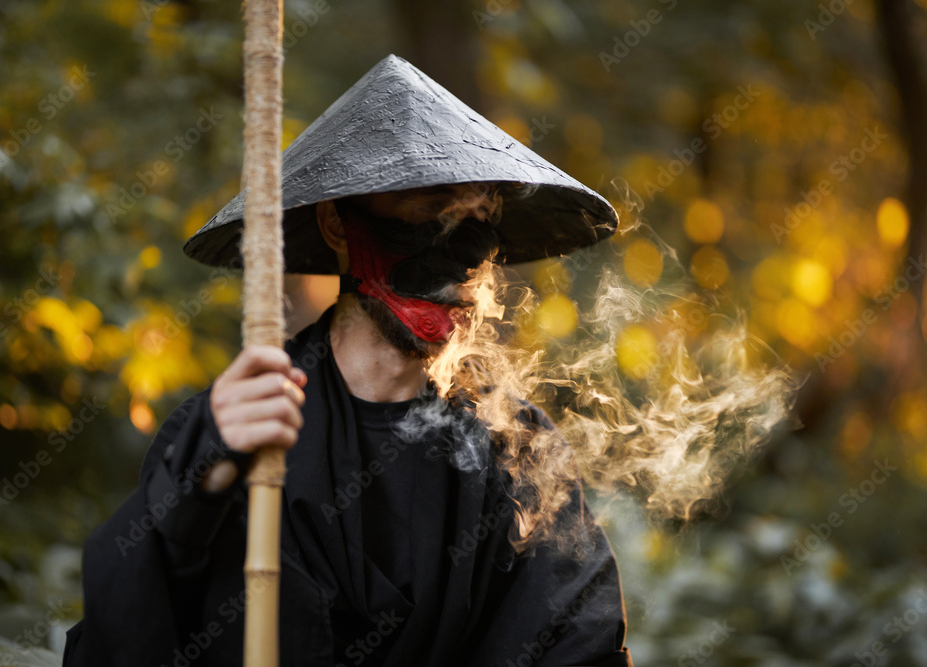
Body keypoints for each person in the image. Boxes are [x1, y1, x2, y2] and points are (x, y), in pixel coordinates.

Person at [63, 55, 632, 666]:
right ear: (337, 223)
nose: (462, 254)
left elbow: (580, 640)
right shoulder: (237, 428)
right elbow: (121, 637)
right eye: (432, 209)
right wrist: (202, 484)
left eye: (482, 220)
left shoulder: (514, 448)